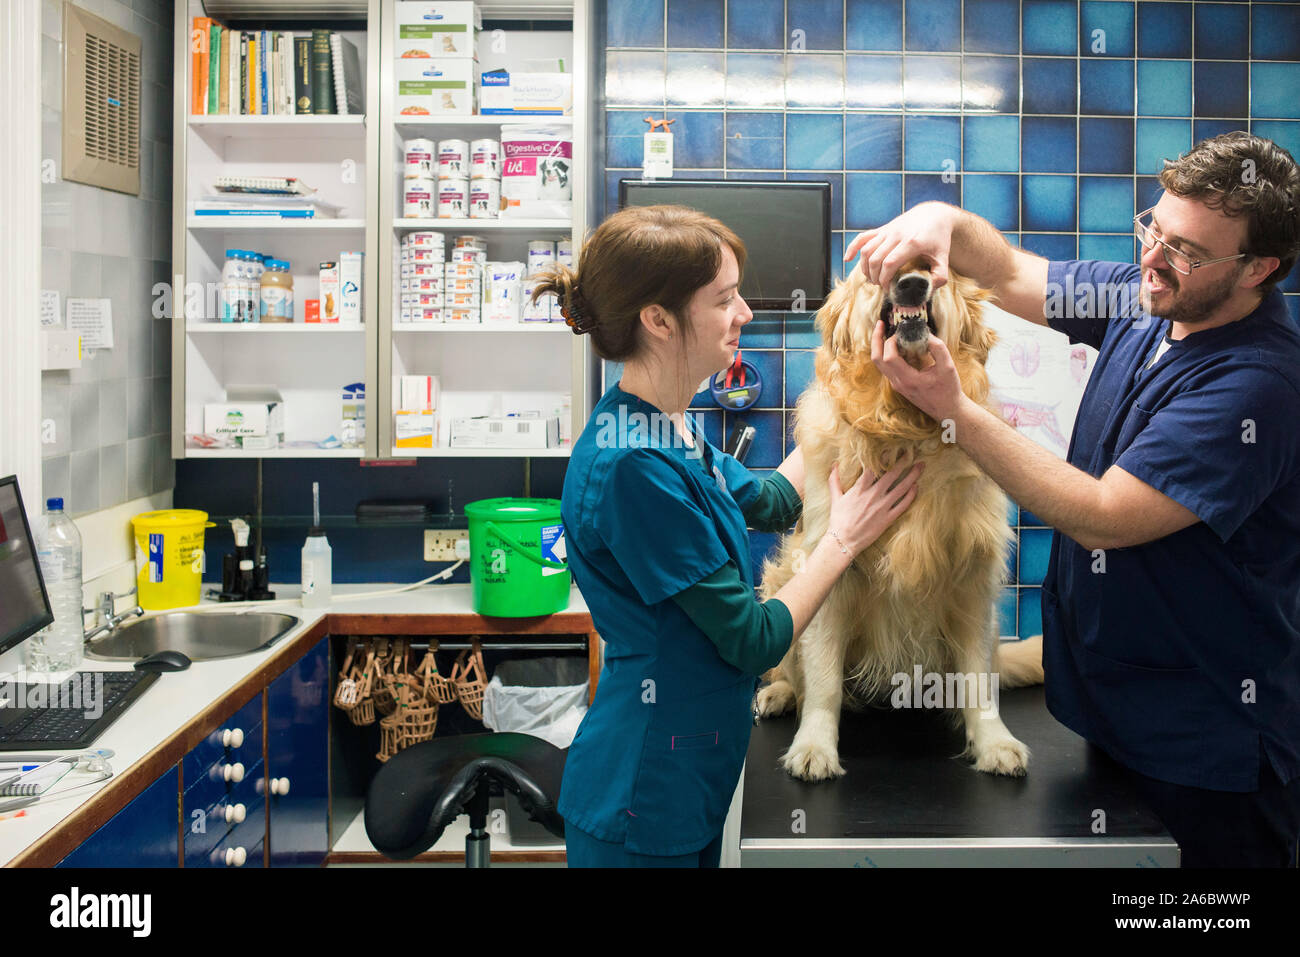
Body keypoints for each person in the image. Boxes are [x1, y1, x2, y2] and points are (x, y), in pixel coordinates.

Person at [847, 132, 1300, 867]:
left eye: (1185, 249)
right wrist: (941, 221)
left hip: (1207, 754)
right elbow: (1007, 268)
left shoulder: (1255, 387)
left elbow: (1105, 517)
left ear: (1260, 268)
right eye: (1153, 226)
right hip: (1111, 714)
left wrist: (954, 410)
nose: (1152, 257)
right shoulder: (1144, 296)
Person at [531, 205, 923, 867]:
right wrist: (842, 541)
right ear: (657, 319)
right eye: (724, 298)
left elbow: (770, 500)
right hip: (645, 792)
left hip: (693, 772)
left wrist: (844, 396)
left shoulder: (666, 426)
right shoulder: (633, 466)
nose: (744, 312)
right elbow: (752, 639)